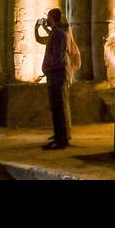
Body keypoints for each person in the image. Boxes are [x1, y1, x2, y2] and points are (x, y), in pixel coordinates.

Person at [35, 9, 78, 150]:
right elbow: (45, 40)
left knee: (59, 107)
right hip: (55, 73)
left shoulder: (59, 34)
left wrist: (49, 68)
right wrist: (40, 28)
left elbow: (58, 55)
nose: (46, 19)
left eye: (48, 17)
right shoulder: (57, 32)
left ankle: (62, 139)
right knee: (57, 107)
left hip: (57, 74)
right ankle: (60, 136)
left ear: (53, 18)